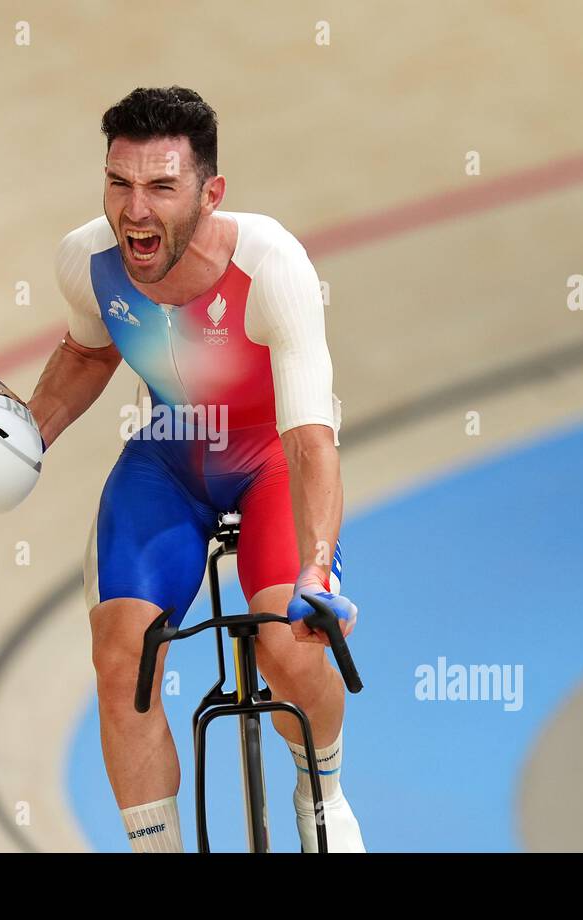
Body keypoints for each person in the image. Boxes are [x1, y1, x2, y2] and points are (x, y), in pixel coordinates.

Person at [28, 86, 364, 853]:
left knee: (288, 639)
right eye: (119, 183)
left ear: (211, 194)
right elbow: (87, 352)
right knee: (122, 655)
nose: (134, 210)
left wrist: (317, 570)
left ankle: (322, 792)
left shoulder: (271, 265)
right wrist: (28, 436)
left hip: (270, 457)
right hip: (171, 459)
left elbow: (310, 443)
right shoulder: (88, 261)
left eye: (161, 186)